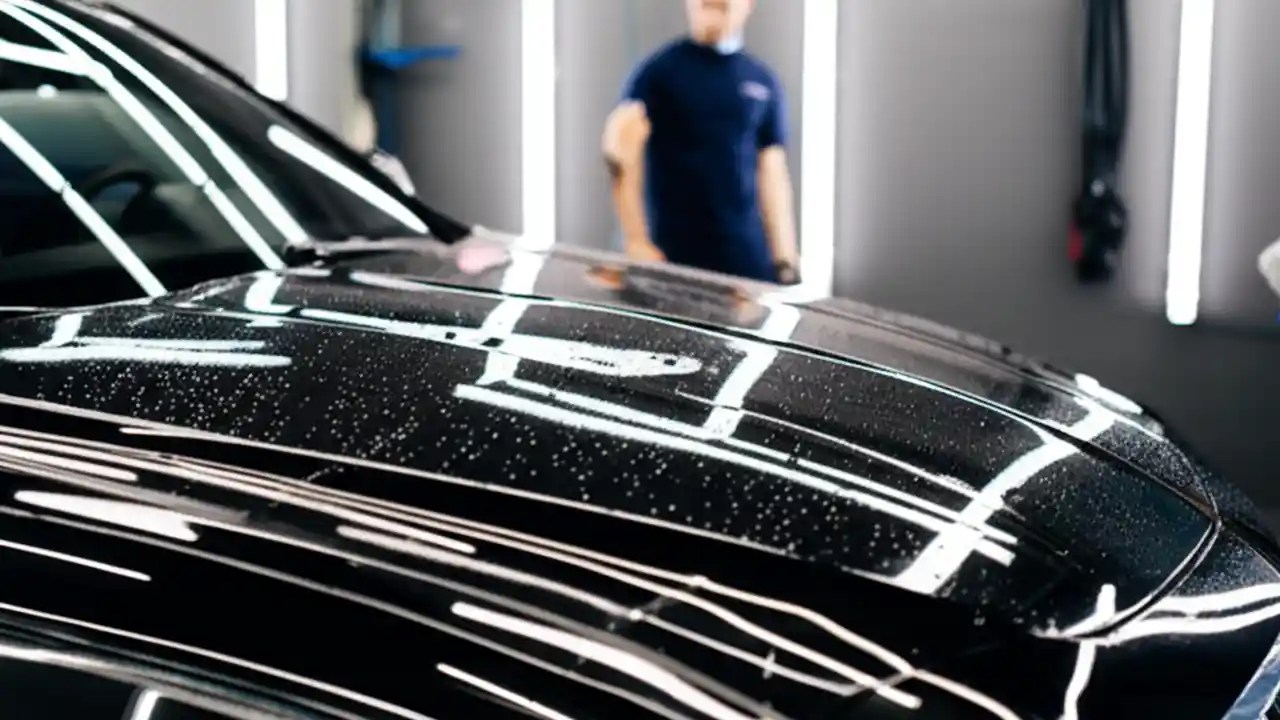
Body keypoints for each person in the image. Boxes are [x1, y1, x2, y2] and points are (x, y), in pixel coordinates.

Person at [602, 0, 799, 284]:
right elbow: (620, 153)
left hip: (745, 259)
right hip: (674, 258)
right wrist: (636, 240)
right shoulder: (659, 73)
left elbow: (773, 174)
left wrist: (785, 258)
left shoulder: (763, 82)